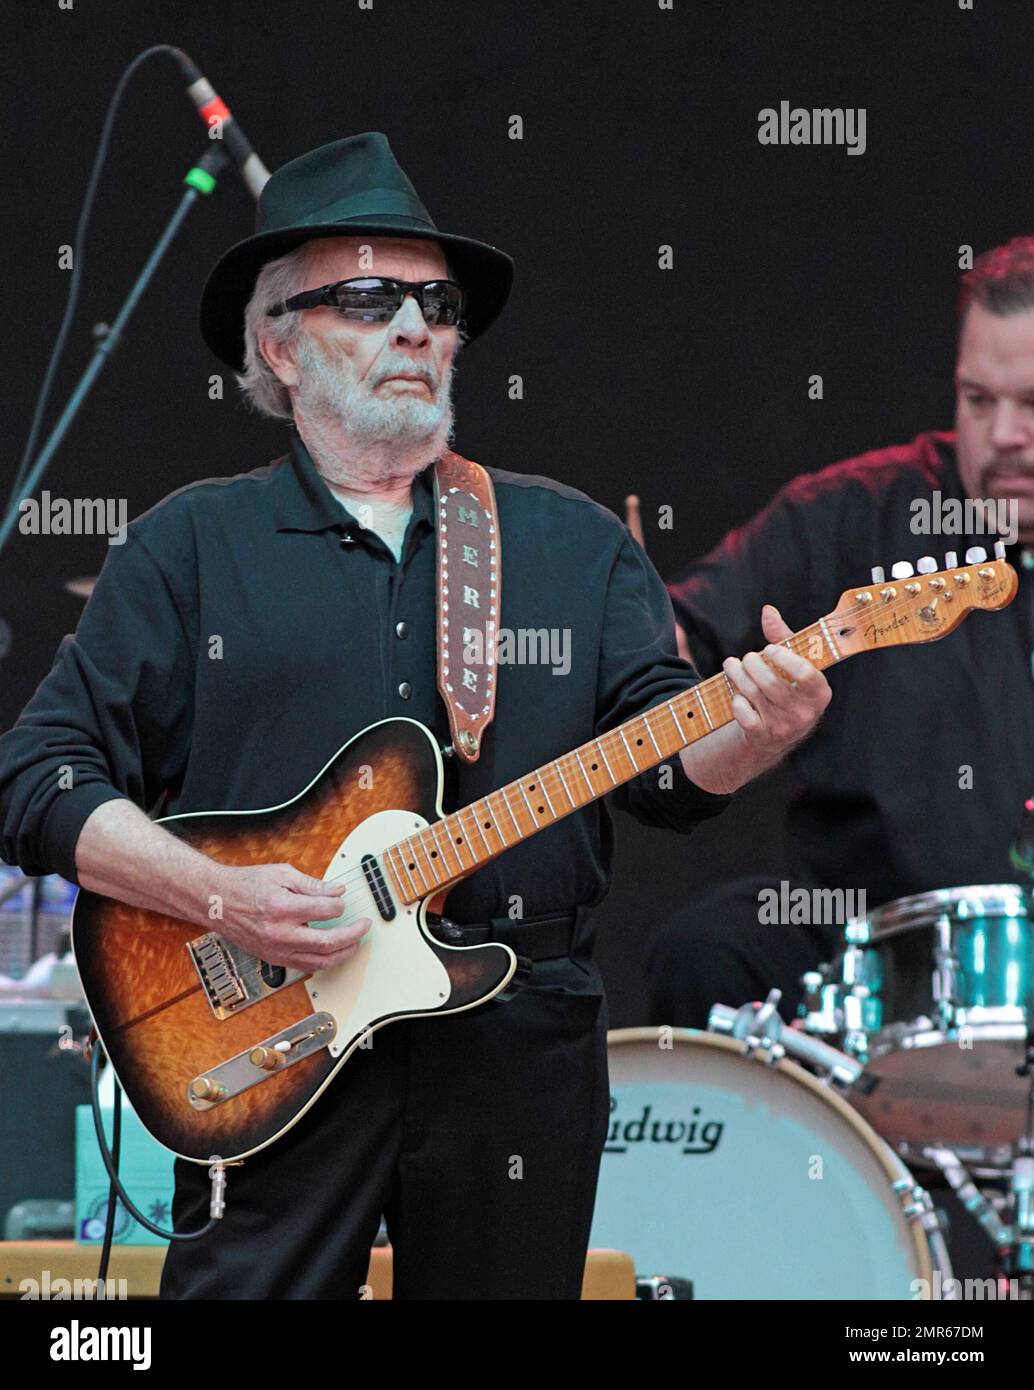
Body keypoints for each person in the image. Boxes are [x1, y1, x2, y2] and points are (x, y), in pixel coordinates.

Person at [0, 134, 830, 1300]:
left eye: (435, 304)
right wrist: (218, 893)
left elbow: (663, 770)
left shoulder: (568, 542)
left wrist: (761, 723)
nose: (416, 328)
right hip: (264, 1034)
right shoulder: (190, 546)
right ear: (278, 342)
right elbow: (35, 775)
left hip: (512, 1032)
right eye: (368, 296)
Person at [651, 235, 1034, 1033]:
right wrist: (643, 643)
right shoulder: (855, 512)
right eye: (978, 399)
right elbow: (670, 636)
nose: (1002, 435)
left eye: (1032, 404)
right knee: (708, 946)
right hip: (873, 953)